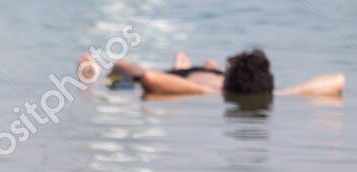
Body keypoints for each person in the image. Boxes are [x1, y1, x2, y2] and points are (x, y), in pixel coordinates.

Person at [86, 48, 343, 99]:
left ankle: (181, 65)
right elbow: (337, 81)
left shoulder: (209, 91)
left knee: (131, 71)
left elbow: (150, 79)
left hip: (194, 77)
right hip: (203, 75)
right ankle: (183, 65)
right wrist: (285, 93)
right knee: (127, 69)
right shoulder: (270, 90)